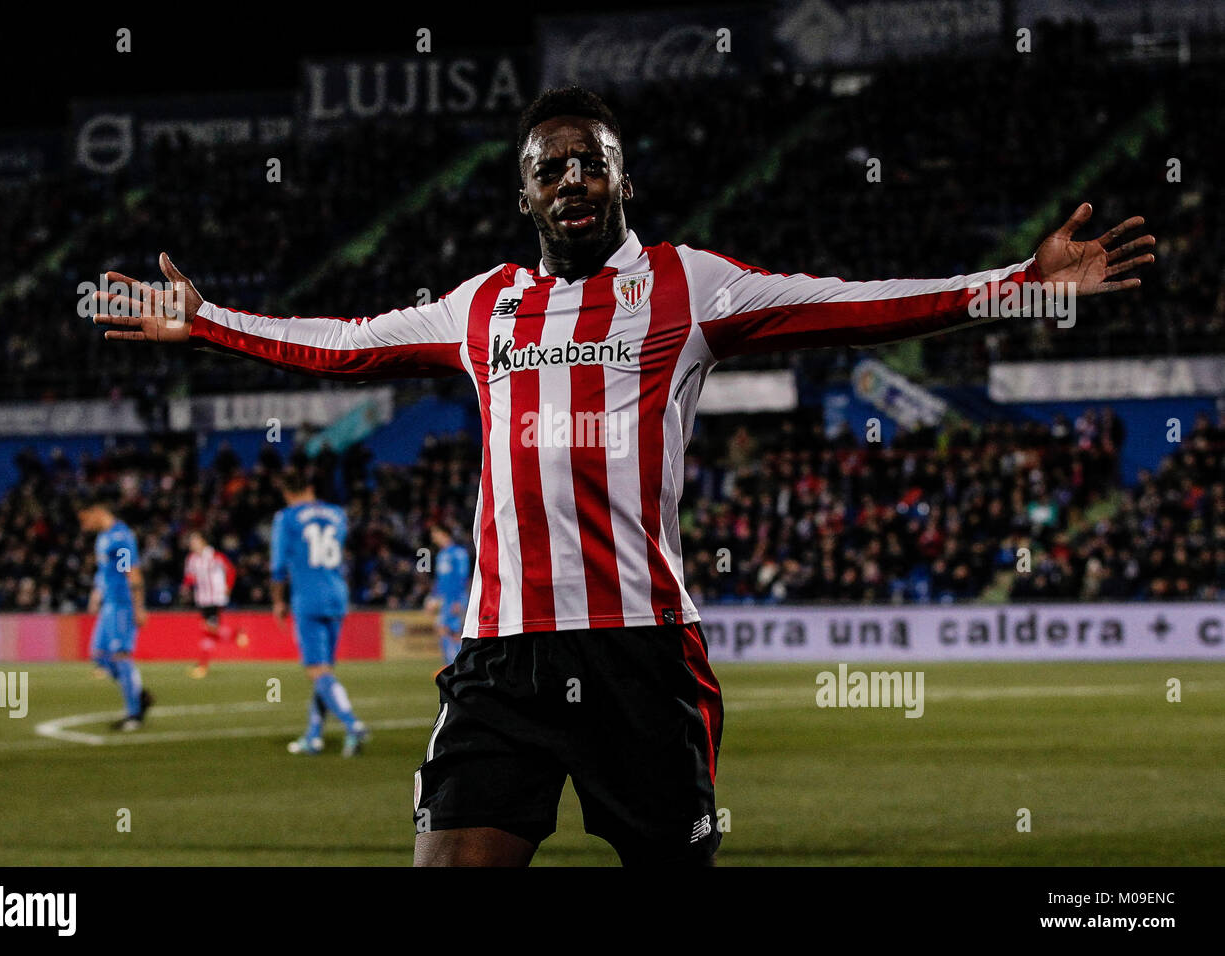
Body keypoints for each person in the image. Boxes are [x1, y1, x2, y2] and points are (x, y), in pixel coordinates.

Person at [91, 86, 1155, 865]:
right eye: (550, 166)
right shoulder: (480, 307)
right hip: (503, 654)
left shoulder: (689, 287)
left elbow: (857, 302)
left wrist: (1021, 282)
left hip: (642, 653)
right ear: (523, 193)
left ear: (623, 179)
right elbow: (342, 342)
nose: (572, 178)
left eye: (590, 160)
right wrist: (209, 322)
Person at [269, 469, 368, 757]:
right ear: (311, 487)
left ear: (288, 493)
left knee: (317, 670)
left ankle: (353, 724)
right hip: (337, 594)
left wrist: (278, 602)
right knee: (324, 670)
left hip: (308, 597)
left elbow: (277, 567)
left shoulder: (285, 518)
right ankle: (314, 736)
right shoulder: (338, 514)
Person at [77, 492, 152, 731]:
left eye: (85, 518)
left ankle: (134, 715)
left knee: (121, 656)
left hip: (122, 604)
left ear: (98, 510)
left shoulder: (120, 537)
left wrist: (138, 607)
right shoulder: (103, 539)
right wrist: (96, 594)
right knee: (99, 655)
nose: (84, 524)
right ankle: (138, 695)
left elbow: (131, 572)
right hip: (109, 604)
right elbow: (105, 572)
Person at [182, 529, 249, 679]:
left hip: (215, 598)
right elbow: (190, 576)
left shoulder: (215, 556)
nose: (192, 543)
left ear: (203, 541)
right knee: (209, 631)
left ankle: (202, 666)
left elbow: (230, 570)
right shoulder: (191, 559)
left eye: (194, 540)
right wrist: (186, 586)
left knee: (207, 629)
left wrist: (228, 587)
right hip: (202, 598)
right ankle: (235, 634)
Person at [426, 525, 471, 667]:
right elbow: (440, 581)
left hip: (456, 598)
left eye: (435, 533)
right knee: (444, 629)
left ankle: (457, 666)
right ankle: (452, 666)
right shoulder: (441, 555)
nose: (433, 538)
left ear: (444, 533)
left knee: (454, 632)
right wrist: (433, 598)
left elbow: (462, 578)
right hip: (445, 600)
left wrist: (458, 601)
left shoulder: (459, 553)